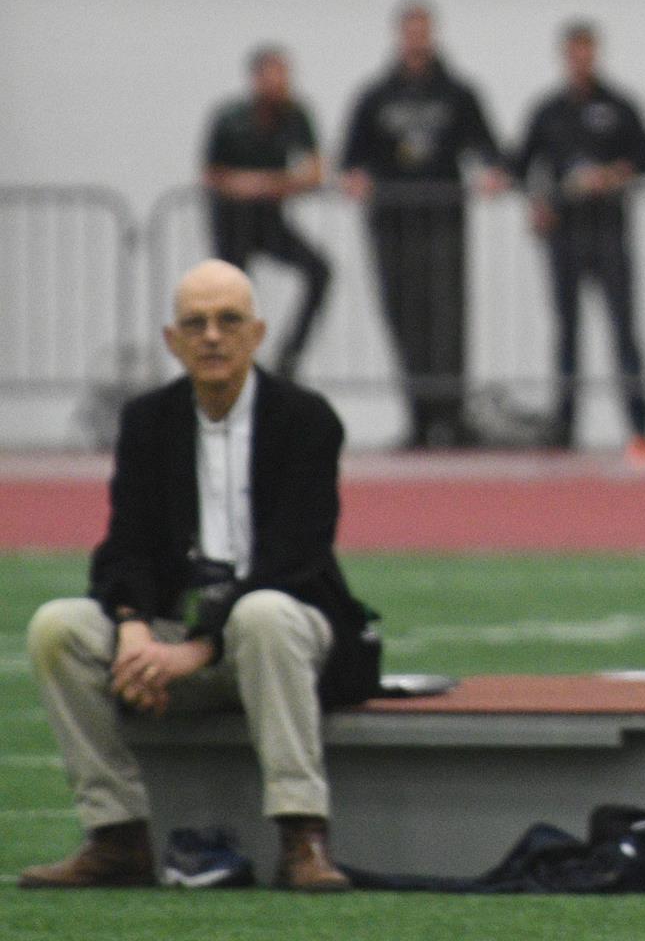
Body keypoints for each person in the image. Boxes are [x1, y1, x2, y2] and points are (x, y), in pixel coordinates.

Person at [19, 261, 380, 893]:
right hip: (172, 636)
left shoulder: (307, 419)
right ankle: (117, 835)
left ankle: (302, 838)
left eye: (228, 321)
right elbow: (123, 547)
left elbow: (293, 560)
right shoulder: (147, 421)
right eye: (196, 323)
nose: (212, 336)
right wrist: (132, 630)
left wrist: (196, 647)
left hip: (283, 634)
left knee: (262, 611)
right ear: (172, 340)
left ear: (258, 334)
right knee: (59, 627)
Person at [339, 0, 505, 448]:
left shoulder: (458, 92)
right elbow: (351, 158)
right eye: (409, 31)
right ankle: (418, 416)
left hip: (444, 220)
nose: (417, 39)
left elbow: (487, 146)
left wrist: (492, 172)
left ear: (433, 34)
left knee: (447, 317)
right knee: (404, 318)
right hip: (392, 223)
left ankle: (450, 417)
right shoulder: (375, 96)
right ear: (399, 36)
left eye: (423, 30)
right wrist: (355, 179)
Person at [512, 21, 645, 462]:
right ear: (564, 56)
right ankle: (565, 425)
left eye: (587, 52)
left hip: (609, 230)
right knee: (567, 332)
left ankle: (640, 427)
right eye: (573, 53)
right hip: (565, 235)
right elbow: (520, 162)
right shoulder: (548, 110)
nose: (581, 60)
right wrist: (537, 202)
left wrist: (612, 176)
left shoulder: (619, 105)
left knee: (623, 329)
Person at [202, 46, 331, 377]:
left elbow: (315, 172)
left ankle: (289, 356)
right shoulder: (230, 119)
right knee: (234, 296)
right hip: (231, 223)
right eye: (272, 76)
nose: (280, 85)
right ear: (256, 79)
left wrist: (264, 184)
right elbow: (212, 176)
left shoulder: (295, 116)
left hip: (270, 220)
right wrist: (250, 186)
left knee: (320, 270)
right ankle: (231, 365)